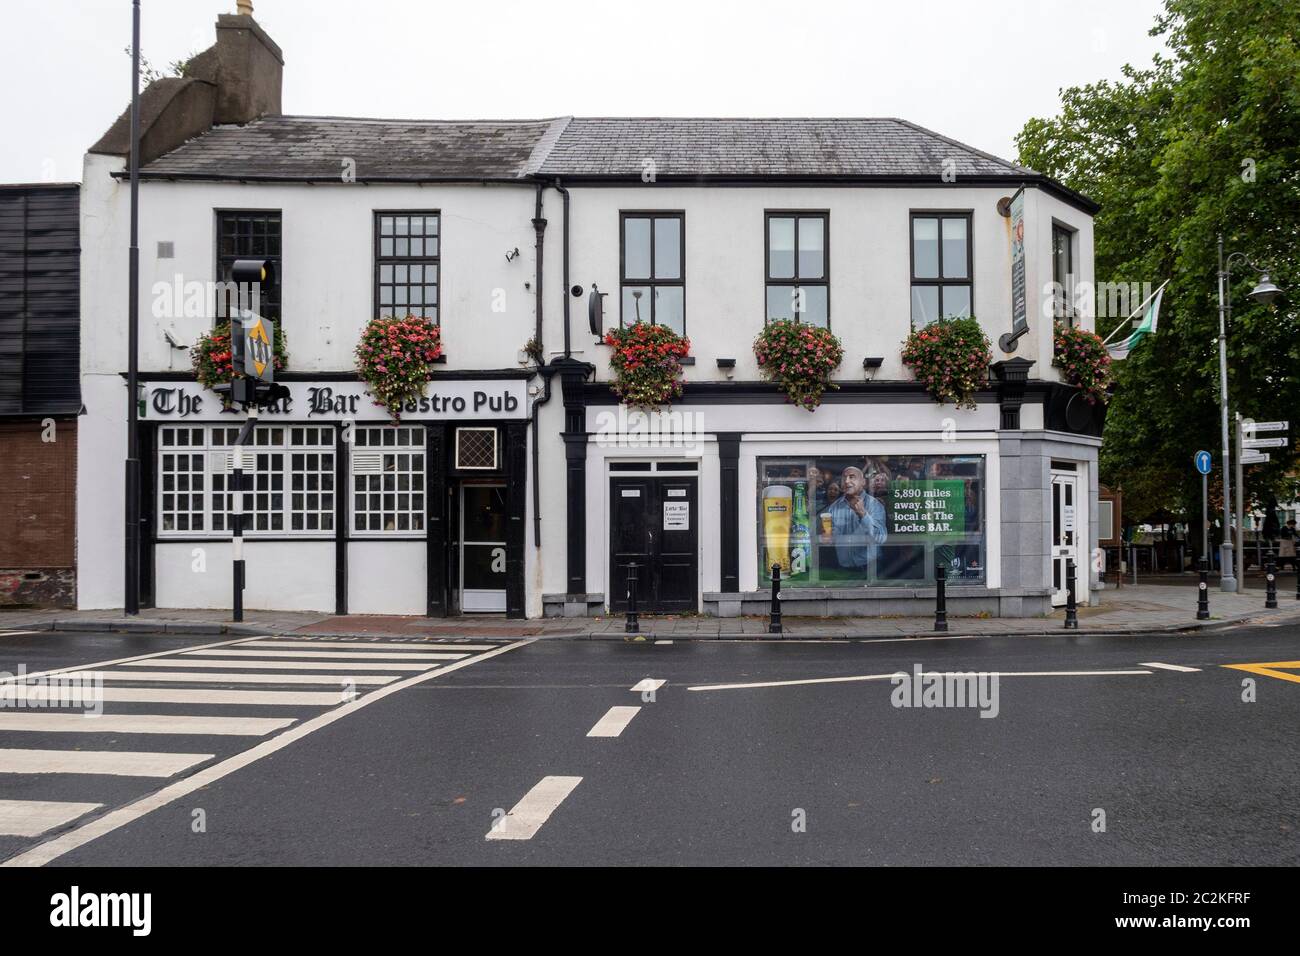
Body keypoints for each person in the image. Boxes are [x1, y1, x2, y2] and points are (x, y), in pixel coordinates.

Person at [828, 465, 888, 569]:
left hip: (871, 567)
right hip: (843, 568)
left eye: (852, 477)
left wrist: (863, 515)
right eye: (844, 478)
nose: (847, 481)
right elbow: (832, 539)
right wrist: (828, 537)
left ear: (863, 482)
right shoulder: (833, 507)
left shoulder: (875, 505)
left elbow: (880, 538)